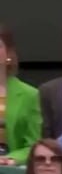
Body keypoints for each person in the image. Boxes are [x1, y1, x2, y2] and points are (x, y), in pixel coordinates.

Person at [0, 24, 43, 166]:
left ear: (9, 54)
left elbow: (33, 145)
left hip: (10, 173)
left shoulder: (30, 95)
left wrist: (11, 159)